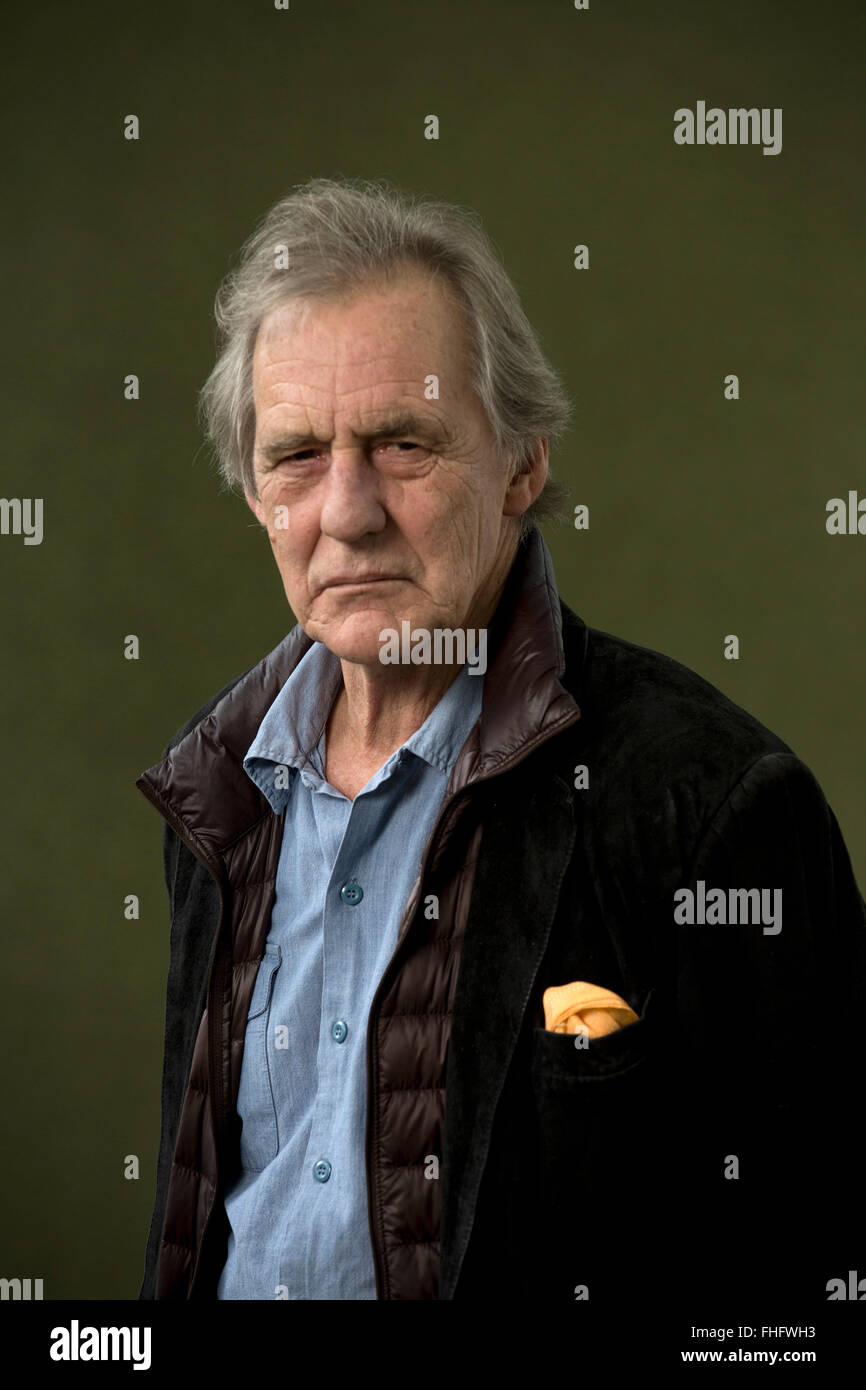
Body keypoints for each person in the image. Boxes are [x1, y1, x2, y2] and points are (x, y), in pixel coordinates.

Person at [136, 176, 866, 1306]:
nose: (346, 510)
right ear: (251, 492)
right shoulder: (216, 794)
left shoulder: (713, 808)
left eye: (402, 445)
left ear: (520, 464)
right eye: (294, 456)